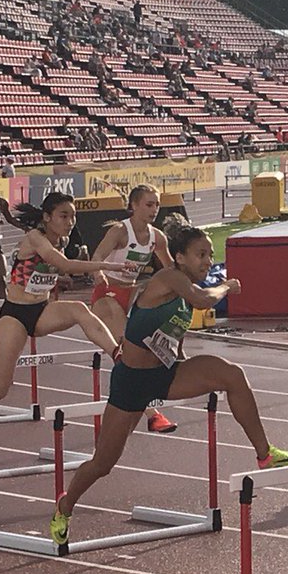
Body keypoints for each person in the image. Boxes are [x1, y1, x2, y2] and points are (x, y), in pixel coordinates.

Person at [49, 222, 288, 545]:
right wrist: (226, 287)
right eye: (200, 255)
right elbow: (203, 300)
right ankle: (65, 505)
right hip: (131, 382)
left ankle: (264, 454)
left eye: (210, 255)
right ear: (179, 257)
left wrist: (187, 370)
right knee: (103, 464)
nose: (207, 261)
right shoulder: (169, 278)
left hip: (165, 374)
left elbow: (174, 336)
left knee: (231, 374)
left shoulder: (183, 295)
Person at [0, 193, 135, 407]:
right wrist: (106, 266)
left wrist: (58, 279)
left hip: (42, 310)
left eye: (73, 216)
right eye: (64, 216)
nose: (70, 222)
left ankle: (116, 353)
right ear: (47, 217)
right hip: (15, 314)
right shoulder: (35, 237)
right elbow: (64, 264)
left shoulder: (63, 240)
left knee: (79, 309)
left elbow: (45, 269)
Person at [90, 185, 179, 434]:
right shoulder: (120, 231)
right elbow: (97, 255)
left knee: (140, 354)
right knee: (127, 350)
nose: (154, 210)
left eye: (157, 205)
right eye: (149, 204)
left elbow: (171, 269)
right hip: (107, 296)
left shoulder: (156, 237)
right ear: (134, 205)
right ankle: (153, 414)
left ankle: (129, 410)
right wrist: (98, 272)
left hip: (131, 295)